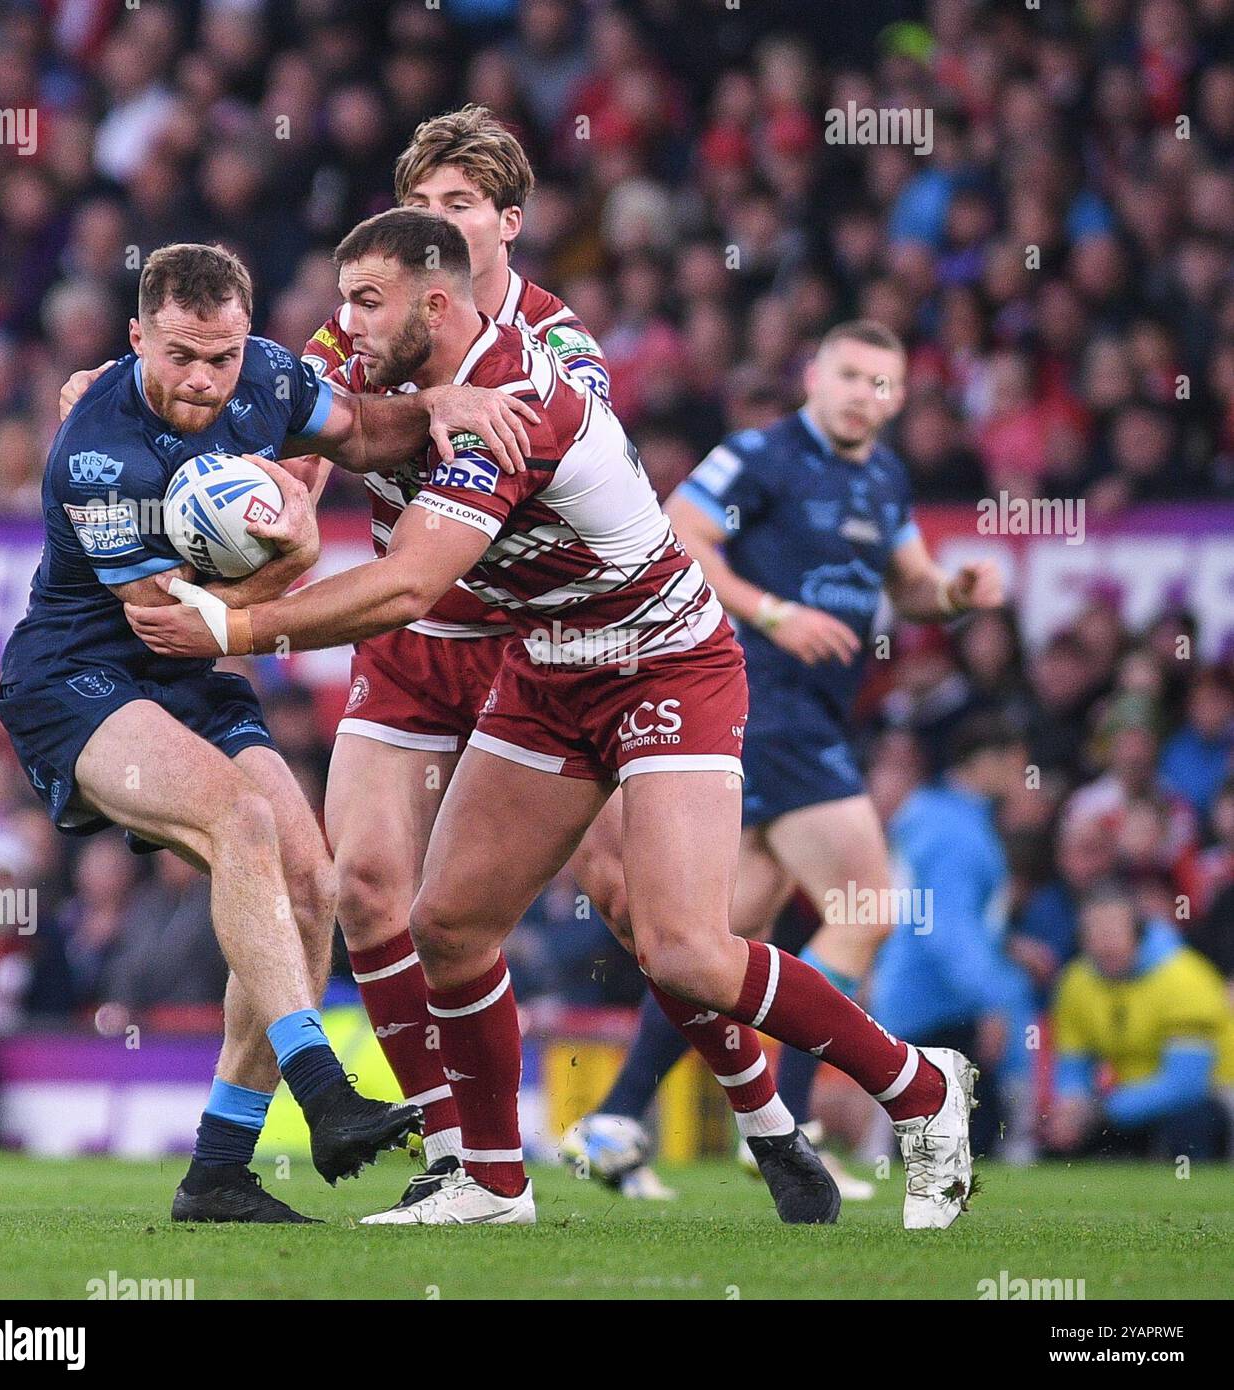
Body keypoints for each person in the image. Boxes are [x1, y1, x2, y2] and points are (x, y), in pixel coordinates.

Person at [128, 208, 979, 1231]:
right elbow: (293, 413)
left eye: (365, 301)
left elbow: (406, 588)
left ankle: (921, 1089)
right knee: (445, 925)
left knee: (686, 951)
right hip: (546, 662)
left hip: (661, 659)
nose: (341, 322)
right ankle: (490, 1181)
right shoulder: (395, 373)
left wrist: (235, 619)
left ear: (435, 302)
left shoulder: (522, 403)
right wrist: (112, 395)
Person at [297, 105, 802, 1214]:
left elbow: (536, 450)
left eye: (459, 205)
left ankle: (763, 1115)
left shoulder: (558, 341)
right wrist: (284, 495)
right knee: (370, 887)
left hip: (546, 643)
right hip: (412, 635)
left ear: (507, 223)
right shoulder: (356, 328)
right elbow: (301, 436)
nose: (435, 222)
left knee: (646, 914)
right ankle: (459, 1155)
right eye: (418, 204)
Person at [0, 240, 537, 1222]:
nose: (204, 379)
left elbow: (364, 437)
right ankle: (324, 1086)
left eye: (223, 354)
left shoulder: (272, 376)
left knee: (311, 880)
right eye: (179, 357)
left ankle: (218, 1172)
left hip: (189, 675)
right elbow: (163, 618)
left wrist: (435, 407)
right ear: (135, 339)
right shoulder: (98, 452)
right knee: (239, 817)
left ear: (246, 336)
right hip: (79, 675)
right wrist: (287, 567)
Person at [570, 320, 1003, 1193]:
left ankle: (614, 1119)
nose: (862, 395)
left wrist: (953, 593)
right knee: (868, 903)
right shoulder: (760, 456)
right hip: (761, 701)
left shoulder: (883, 477)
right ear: (813, 372)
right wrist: (771, 614)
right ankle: (791, 1127)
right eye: (848, 375)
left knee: (719, 940)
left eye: (882, 384)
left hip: (812, 717)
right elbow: (680, 531)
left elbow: (912, 587)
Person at [870, 716, 1038, 1160]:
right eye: (1014, 764)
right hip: (943, 1012)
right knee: (964, 1159)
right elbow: (946, 927)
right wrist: (990, 999)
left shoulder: (935, 818)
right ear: (983, 762)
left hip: (916, 1002)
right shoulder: (956, 832)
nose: (1022, 777)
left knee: (928, 1151)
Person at [1047, 880, 1234, 1161]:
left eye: (1112, 932)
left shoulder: (1184, 978)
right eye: (1093, 933)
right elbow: (1072, 1064)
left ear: (1138, 932)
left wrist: (1102, 1110)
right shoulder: (1076, 983)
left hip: (1214, 1094)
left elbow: (1186, 1085)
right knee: (1063, 1137)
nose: (1103, 943)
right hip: (1124, 1101)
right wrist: (1073, 1106)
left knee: (1190, 1123)